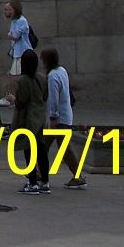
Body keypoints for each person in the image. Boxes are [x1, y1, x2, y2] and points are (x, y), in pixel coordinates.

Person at [40, 46, 87, 190]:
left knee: (62, 149)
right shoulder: (62, 71)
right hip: (65, 116)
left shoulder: (53, 76)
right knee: (45, 145)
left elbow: (53, 98)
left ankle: (78, 177)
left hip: (58, 119)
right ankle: (36, 171)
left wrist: (53, 117)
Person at [11, 50, 50, 195]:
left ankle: (32, 182)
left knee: (29, 149)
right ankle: (45, 182)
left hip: (28, 118)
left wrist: (13, 100)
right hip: (40, 116)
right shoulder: (43, 78)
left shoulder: (23, 80)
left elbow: (21, 101)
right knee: (41, 149)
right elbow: (45, 96)